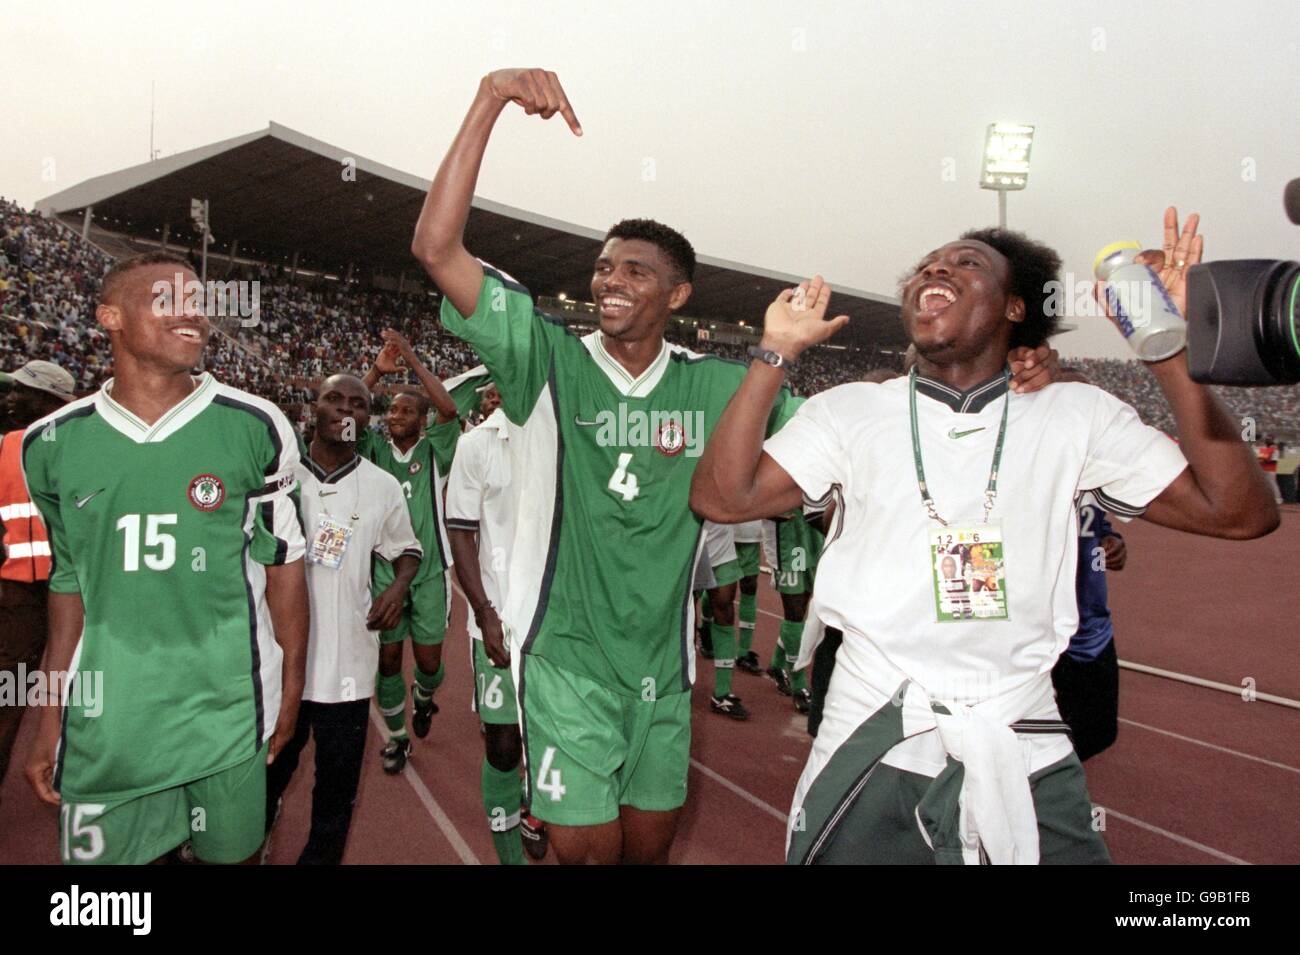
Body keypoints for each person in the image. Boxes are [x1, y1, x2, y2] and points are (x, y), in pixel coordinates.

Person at [412, 67, 1059, 865]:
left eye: (635, 271)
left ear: (678, 295)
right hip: (564, 662)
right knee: (587, 856)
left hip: (665, 671)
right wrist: (491, 98)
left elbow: (873, 425)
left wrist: (1012, 368)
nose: (611, 281)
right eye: (605, 267)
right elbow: (437, 247)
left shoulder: (722, 387)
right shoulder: (543, 360)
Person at [691, 208, 1279, 864]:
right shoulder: (851, 410)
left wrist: (1167, 345)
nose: (936, 268)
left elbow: (1240, 512)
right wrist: (776, 353)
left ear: (1015, 307)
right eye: (927, 265)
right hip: (874, 728)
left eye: (967, 262)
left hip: (1021, 736)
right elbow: (720, 496)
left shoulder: (1074, 413)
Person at [22, 251, 309, 865]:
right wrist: (50, 715)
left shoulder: (256, 424)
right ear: (110, 316)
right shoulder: (50, 444)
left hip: (226, 709)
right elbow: (68, 584)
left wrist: (291, 685)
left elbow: (284, 566)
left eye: (199, 301)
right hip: (110, 718)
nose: (196, 314)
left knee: (232, 860)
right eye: (168, 299)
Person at [265, 373, 422, 864]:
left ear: (366, 419)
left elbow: (407, 550)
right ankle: (249, 845)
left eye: (358, 404)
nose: (345, 410)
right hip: (276, 665)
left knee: (335, 795)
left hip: (347, 671)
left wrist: (398, 586)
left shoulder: (382, 486)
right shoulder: (276, 477)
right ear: (313, 405)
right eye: (334, 398)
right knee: (264, 779)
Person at [445, 381, 547, 864]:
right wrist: (484, 612)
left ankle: (537, 811)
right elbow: (461, 532)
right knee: (504, 743)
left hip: (555, 621)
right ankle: (509, 855)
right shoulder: (477, 444)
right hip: (501, 617)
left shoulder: (562, 434)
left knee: (553, 740)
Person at [360, 330, 461, 773]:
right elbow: (349, 409)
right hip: (384, 571)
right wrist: (379, 370)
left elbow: (449, 407)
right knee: (386, 659)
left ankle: (423, 696)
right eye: (391, 409)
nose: (393, 416)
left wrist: (413, 360)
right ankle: (398, 739)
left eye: (404, 410)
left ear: (422, 419)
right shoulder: (375, 450)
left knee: (430, 665)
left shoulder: (437, 447)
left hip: (432, 571)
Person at [0, 360, 73, 791]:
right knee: (8, 695)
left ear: (48, 402)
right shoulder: (2, 445)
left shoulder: (77, 447)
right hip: (15, 594)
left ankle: (79, 777)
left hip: (74, 590)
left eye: (21, 391)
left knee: (80, 689)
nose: (10, 398)